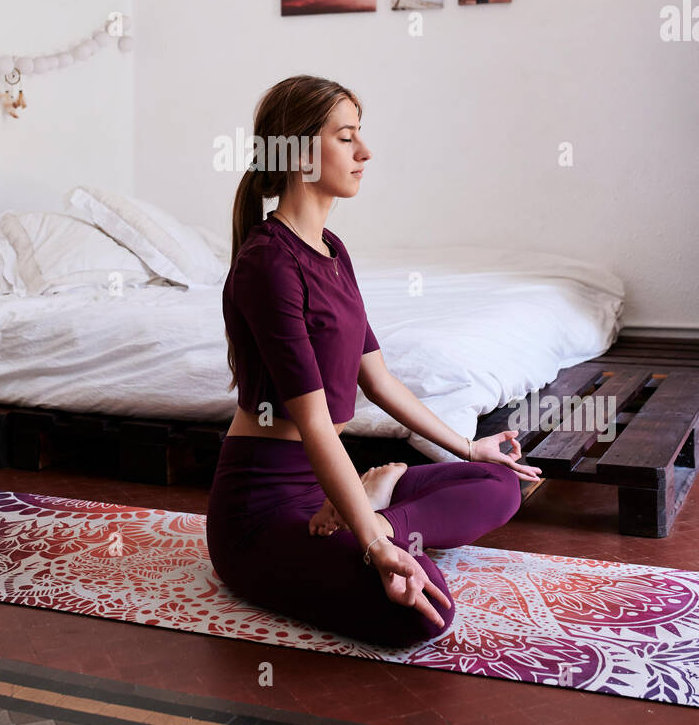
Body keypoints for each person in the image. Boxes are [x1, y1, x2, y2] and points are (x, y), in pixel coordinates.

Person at [206, 75, 538, 647]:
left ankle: (374, 507)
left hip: (328, 491)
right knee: (423, 611)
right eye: (346, 137)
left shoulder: (334, 253)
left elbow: (379, 381)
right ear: (298, 150)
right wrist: (377, 548)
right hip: (262, 509)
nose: (365, 152)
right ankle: (373, 509)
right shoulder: (269, 262)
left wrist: (466, 446)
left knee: (499, 482)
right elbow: (312, 421)